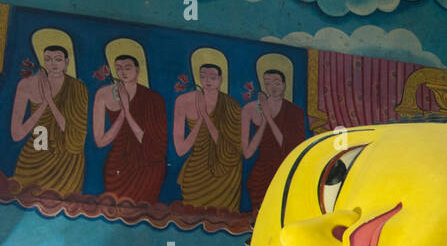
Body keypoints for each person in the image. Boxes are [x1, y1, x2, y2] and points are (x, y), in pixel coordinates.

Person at [9, 45, 87, 195]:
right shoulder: (26, 84)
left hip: (67, 161)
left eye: (58, 59)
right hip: (36, 152)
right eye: (48, 59)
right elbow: (17, 134)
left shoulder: (78, 87)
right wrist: (43, 104)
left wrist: (50, 100)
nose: (53, 64)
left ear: (66, 62)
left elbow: (78, 136)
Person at [93, 54, 167, 204]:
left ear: (138, 70)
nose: (123, 72)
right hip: (118, 163)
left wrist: (127, 111)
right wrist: (122, 112)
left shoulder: (154, 99)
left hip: (147, 165)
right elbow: (100, 142)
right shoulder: (103, 94)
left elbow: (153, 145)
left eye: (128, 68)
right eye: (119, 68)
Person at [173, 63, 242, 210]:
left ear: (221, 79)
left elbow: (233, 150)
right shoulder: (183, 101)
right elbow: (180, 150)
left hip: (224, 174)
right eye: (203, 77)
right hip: (196, 172)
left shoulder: (231, 106)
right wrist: (199, 121)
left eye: (213, 77)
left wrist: (205, 115)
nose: (207, 81)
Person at [242, 68, 306, 210]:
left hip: (285, 168)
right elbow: (247, 153)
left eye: (277, 83)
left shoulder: (295, 112)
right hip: (262, 170)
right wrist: (264, 120)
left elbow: (292, 149)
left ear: (284, 85)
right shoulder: (250, 109)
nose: (273, 88)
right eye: (268, 83)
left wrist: (269, 118)